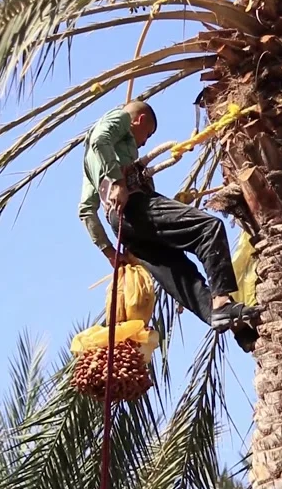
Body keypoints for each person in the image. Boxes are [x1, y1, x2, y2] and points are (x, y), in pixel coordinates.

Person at [78, 100, 259, 350]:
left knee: (178, 273)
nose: (144, 143)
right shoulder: (119, 118)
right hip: (135, 207)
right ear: (139, 120)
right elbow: (101, 140)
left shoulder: (90, 163)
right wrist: (119, 182)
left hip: (124, 226)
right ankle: (221, 302)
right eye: (148, 134)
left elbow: (86, 211)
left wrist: (109, 251)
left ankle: (236, 327)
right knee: (208, 228)